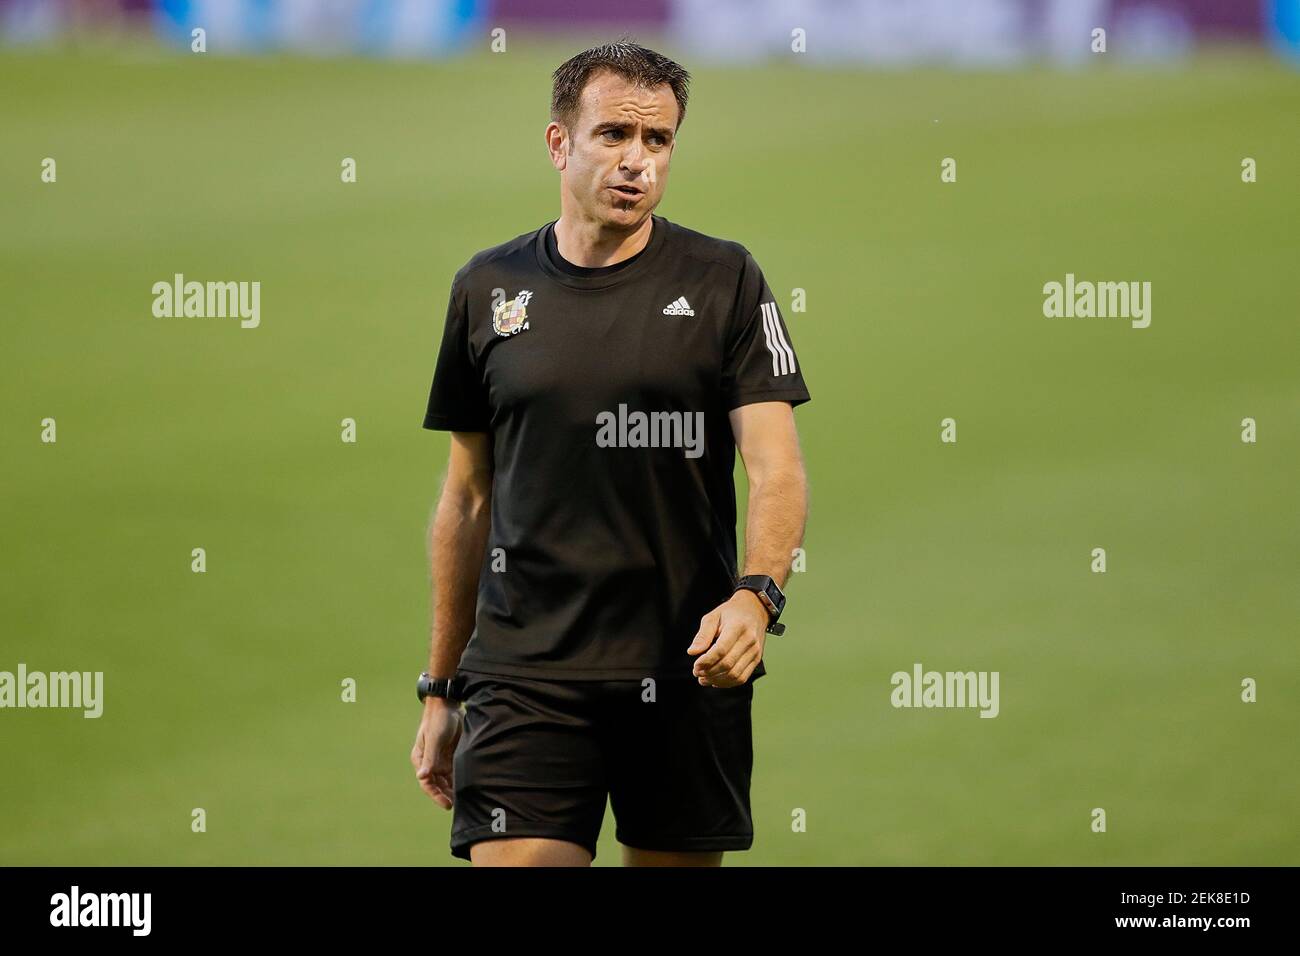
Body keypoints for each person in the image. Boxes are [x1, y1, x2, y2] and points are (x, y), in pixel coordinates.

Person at [410, 39, 811, 866]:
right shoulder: (487, 290)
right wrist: (443, 687)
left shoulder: (724, 280)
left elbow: (776, 466)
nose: (637, 161)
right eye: (614, 136)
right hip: (525, 671)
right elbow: (467, 500)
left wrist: (756, 598)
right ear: (560, 143)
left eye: (657, 141)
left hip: (685, 666)